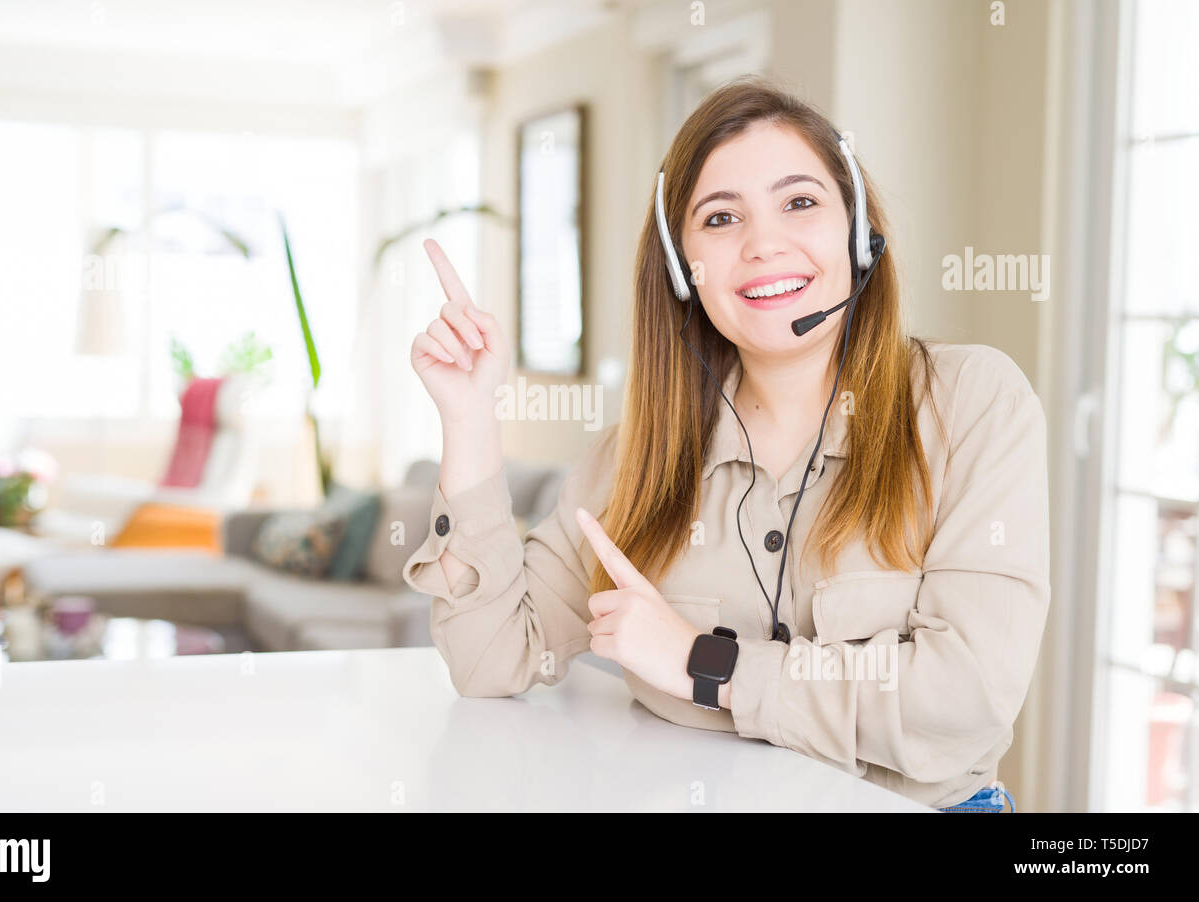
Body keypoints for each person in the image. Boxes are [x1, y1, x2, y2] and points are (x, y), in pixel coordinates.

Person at [403, 75, 1049, 812]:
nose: (764, 244)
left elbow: (966, 704)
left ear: (857, 229)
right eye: (720, 218)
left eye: (800, 202)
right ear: (683, 270)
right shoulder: (637, 461)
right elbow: (490, 658)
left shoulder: (971, 402)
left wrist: (704, 662)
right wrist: (469, 417)